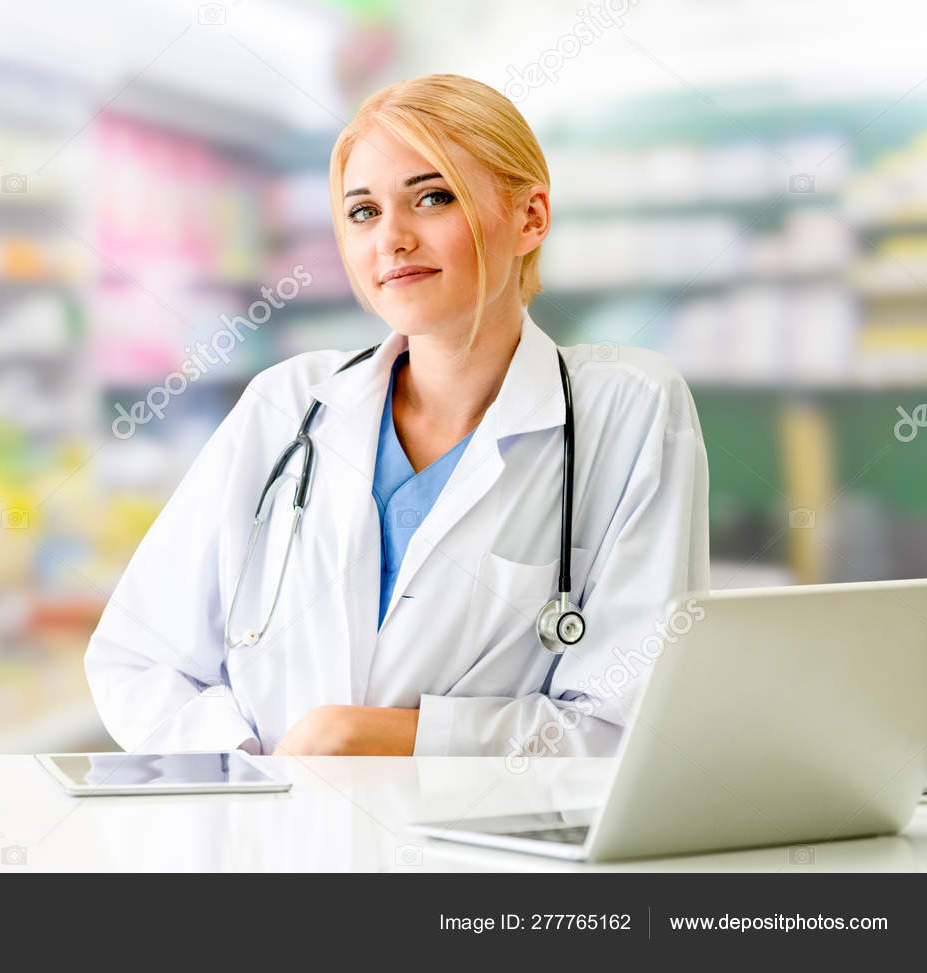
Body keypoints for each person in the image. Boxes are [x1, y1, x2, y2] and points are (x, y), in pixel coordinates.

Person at [84, 74, 709, 758]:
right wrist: (249, 774)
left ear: (531, 217)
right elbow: (138, 659)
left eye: (432, 197)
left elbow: (627, 724)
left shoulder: (629, 410)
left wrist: (383, 738)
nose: (392, 239)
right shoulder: (286, 406)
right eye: (363, 213)